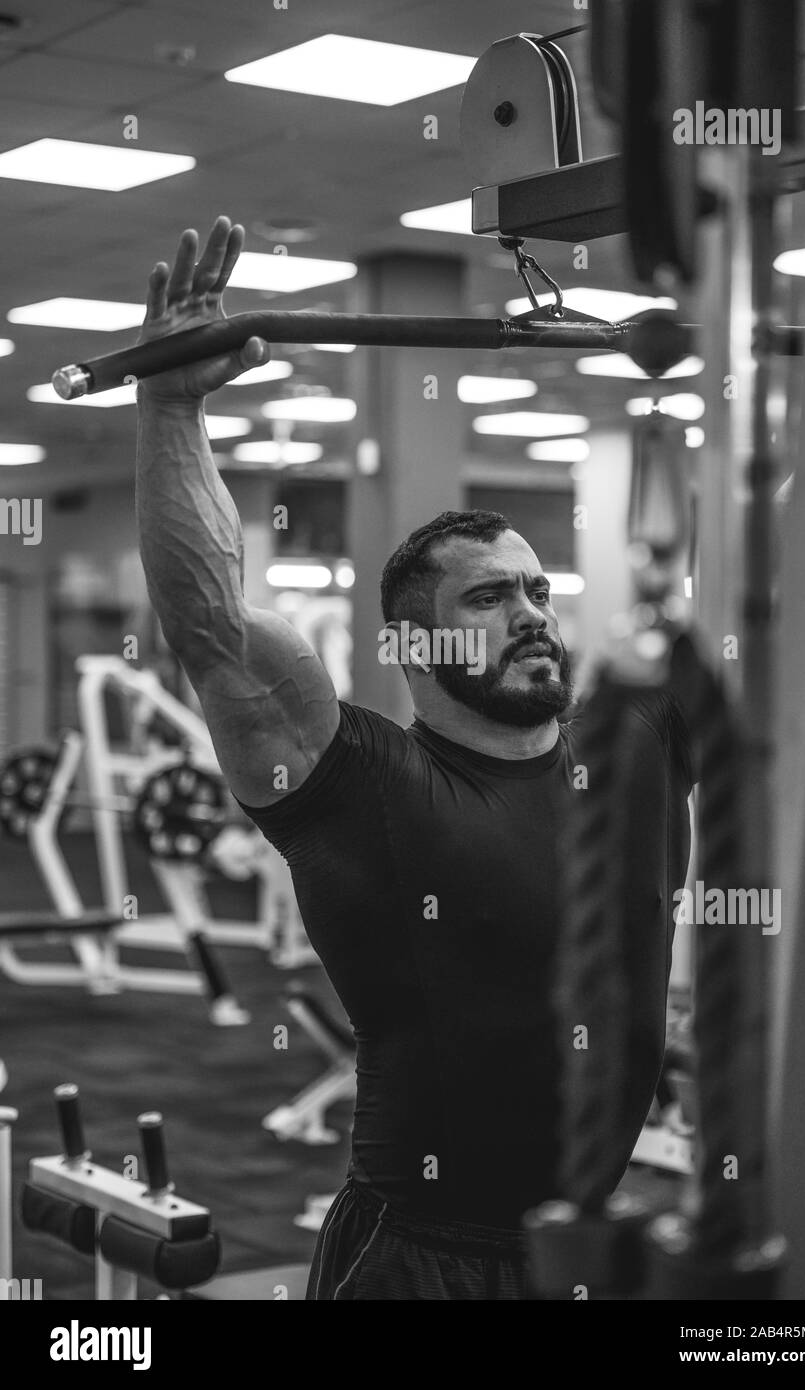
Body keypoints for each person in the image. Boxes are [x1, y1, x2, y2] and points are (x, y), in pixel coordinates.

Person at [135, 217, 692, 1300]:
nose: (531, 613)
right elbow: (207, 623)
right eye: (488, 597)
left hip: (584, 1248)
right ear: (413, 643)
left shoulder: (638, 747)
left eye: (538, 590)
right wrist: (172, 407)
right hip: (422, 1259)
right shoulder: (367, 788)